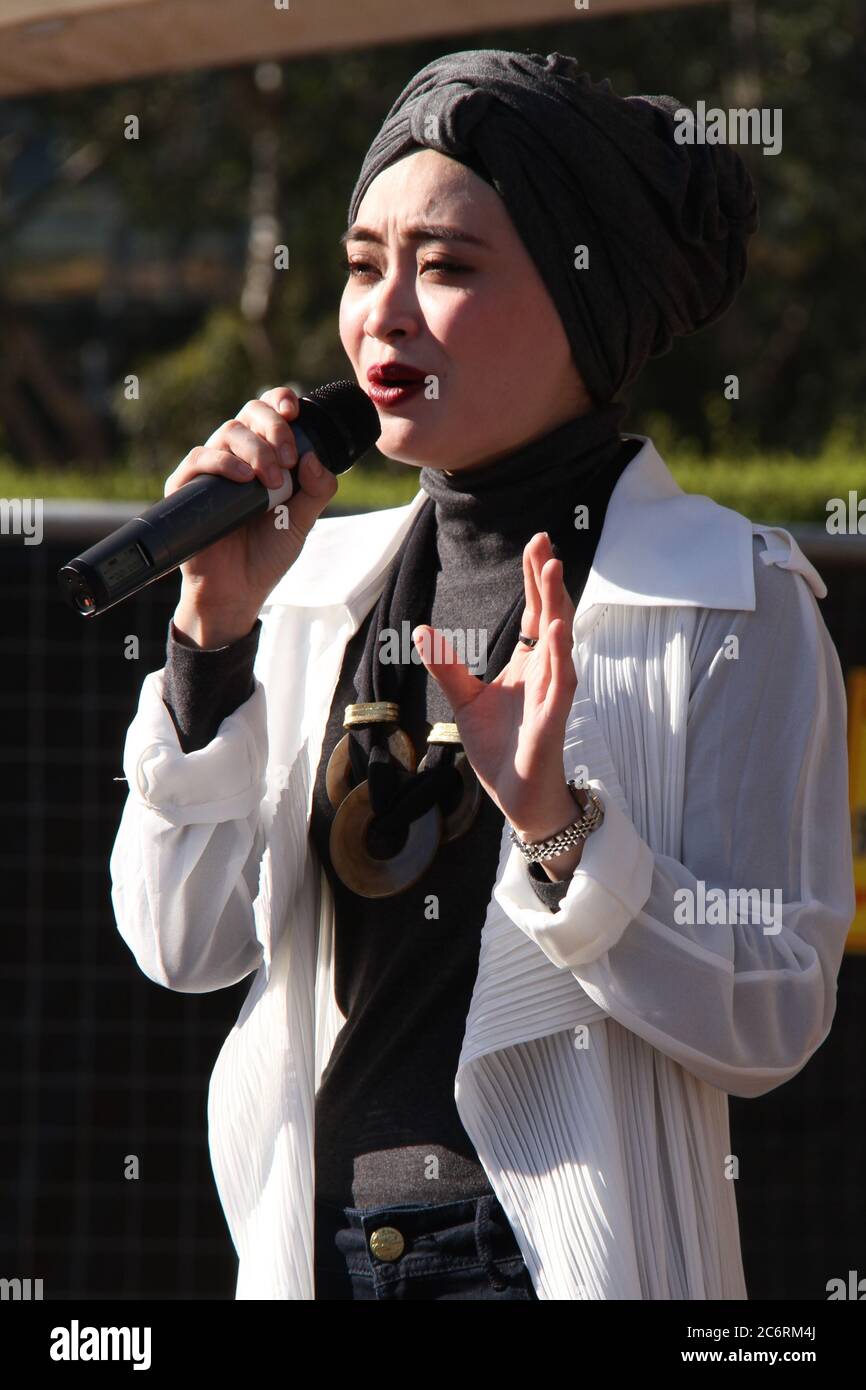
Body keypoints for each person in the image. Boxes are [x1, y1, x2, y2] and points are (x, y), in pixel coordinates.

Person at [109, 49, 855, 1300]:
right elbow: (179, 945)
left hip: (543, 1264)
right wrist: (208, 641)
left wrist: (560, 834)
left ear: (584, 301)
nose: (382, 314)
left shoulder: (729, 594)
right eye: (360, 265)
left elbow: (772, 1012)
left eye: (445, 267)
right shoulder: (305, 583)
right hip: (319, 1250)